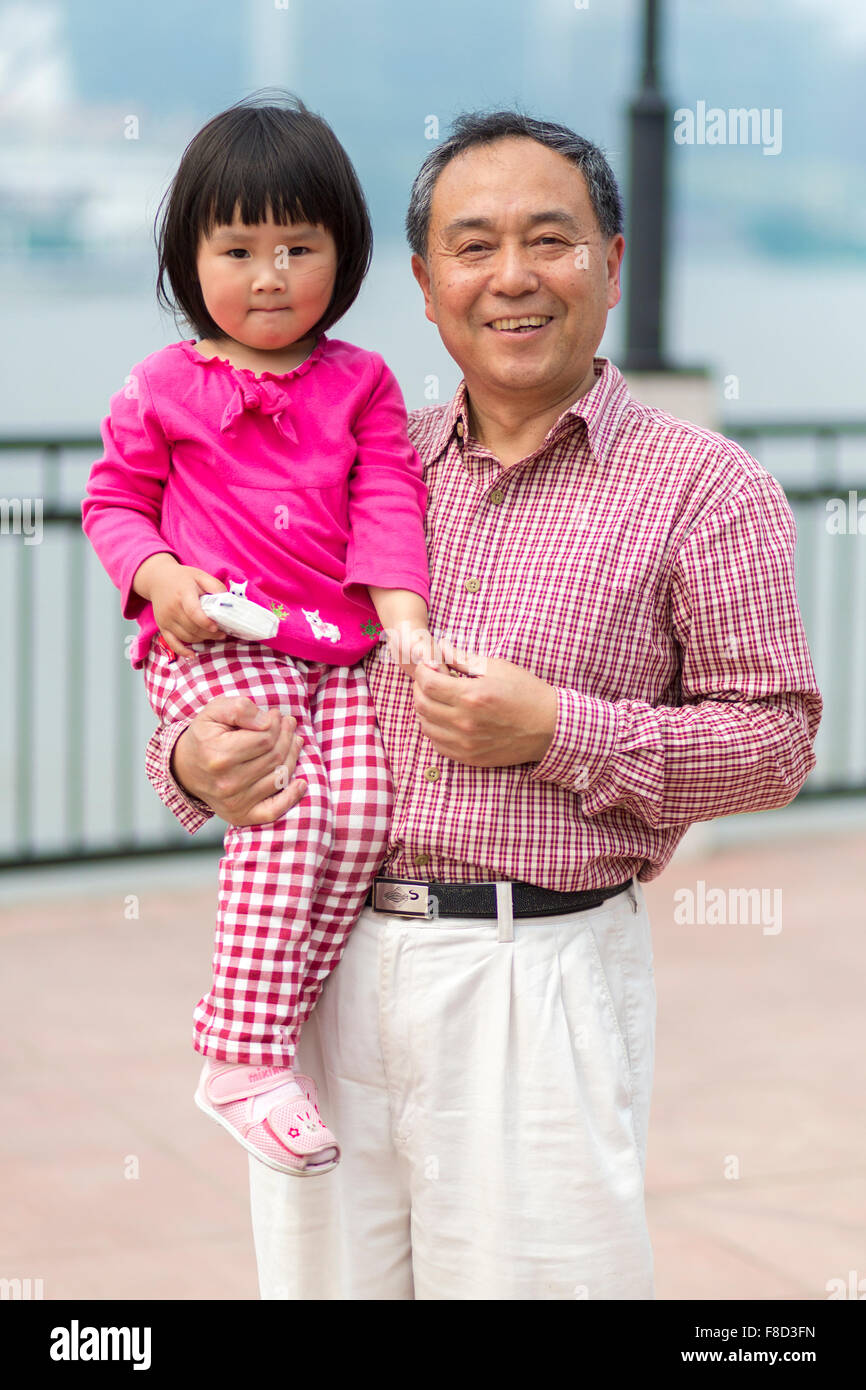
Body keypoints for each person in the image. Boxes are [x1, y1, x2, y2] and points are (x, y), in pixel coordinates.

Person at [144, 111, 822, 1300]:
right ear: (421, 284)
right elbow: (246, 662)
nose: (510, 276)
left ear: (610, 261)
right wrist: (193, 763)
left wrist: (557, 730)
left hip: (538, 969)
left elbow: (774, 741)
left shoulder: (707, 488)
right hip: (322, 961)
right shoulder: (365, 459)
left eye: (548, 238)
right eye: (471, 246)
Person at [81, 94, 445, 1180]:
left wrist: (404, 619)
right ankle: (239, 1054)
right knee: (284, 811)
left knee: (367, 809)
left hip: (333, 643)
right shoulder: (162, 387)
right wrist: (156, 577)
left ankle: (276, 1015)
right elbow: (112, 504)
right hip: (216, 635)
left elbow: (387, 496)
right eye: (237, 248)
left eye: (299, 246)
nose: (270, 274)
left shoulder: (362, 383)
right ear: (189, 258)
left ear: (346, 252)